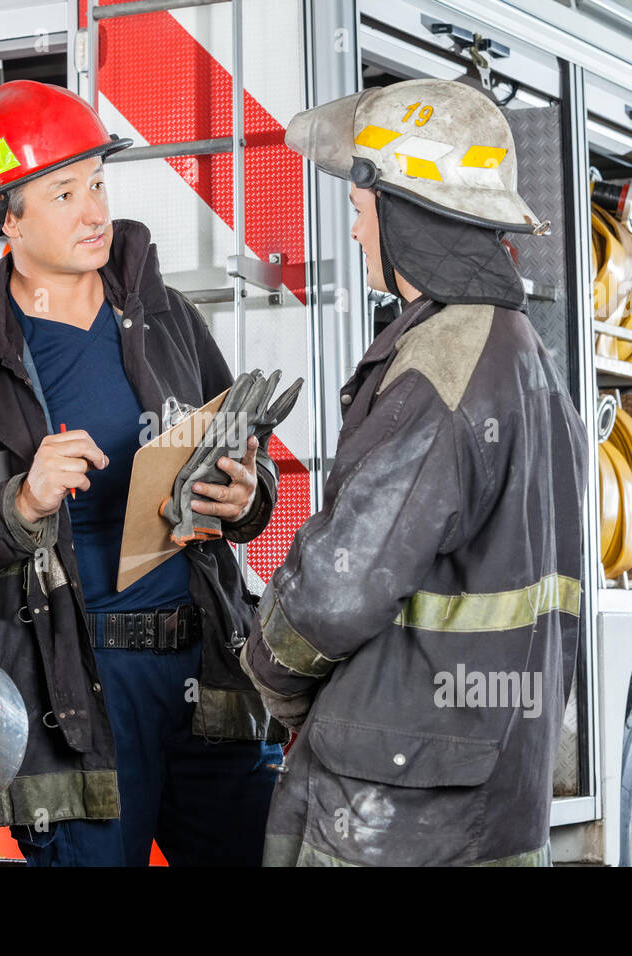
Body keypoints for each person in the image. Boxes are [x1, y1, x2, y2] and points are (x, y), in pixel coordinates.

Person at [0, 80, 287, 867]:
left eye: (98, 183)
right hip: (75, 698)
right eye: (64, 191)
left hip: (204, 675)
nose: (94, 210)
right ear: (5, 216)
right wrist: (21, 500)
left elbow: (245, 452)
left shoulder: (168, 316)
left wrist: (248, 496)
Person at [240, 79, 588, 866]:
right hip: (489, 783)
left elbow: (336, 589)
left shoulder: (442, 365)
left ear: (408, 210)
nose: (357, 224)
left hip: (397, 796)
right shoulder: (527, 359)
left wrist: (272, 675)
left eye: (366, 202)